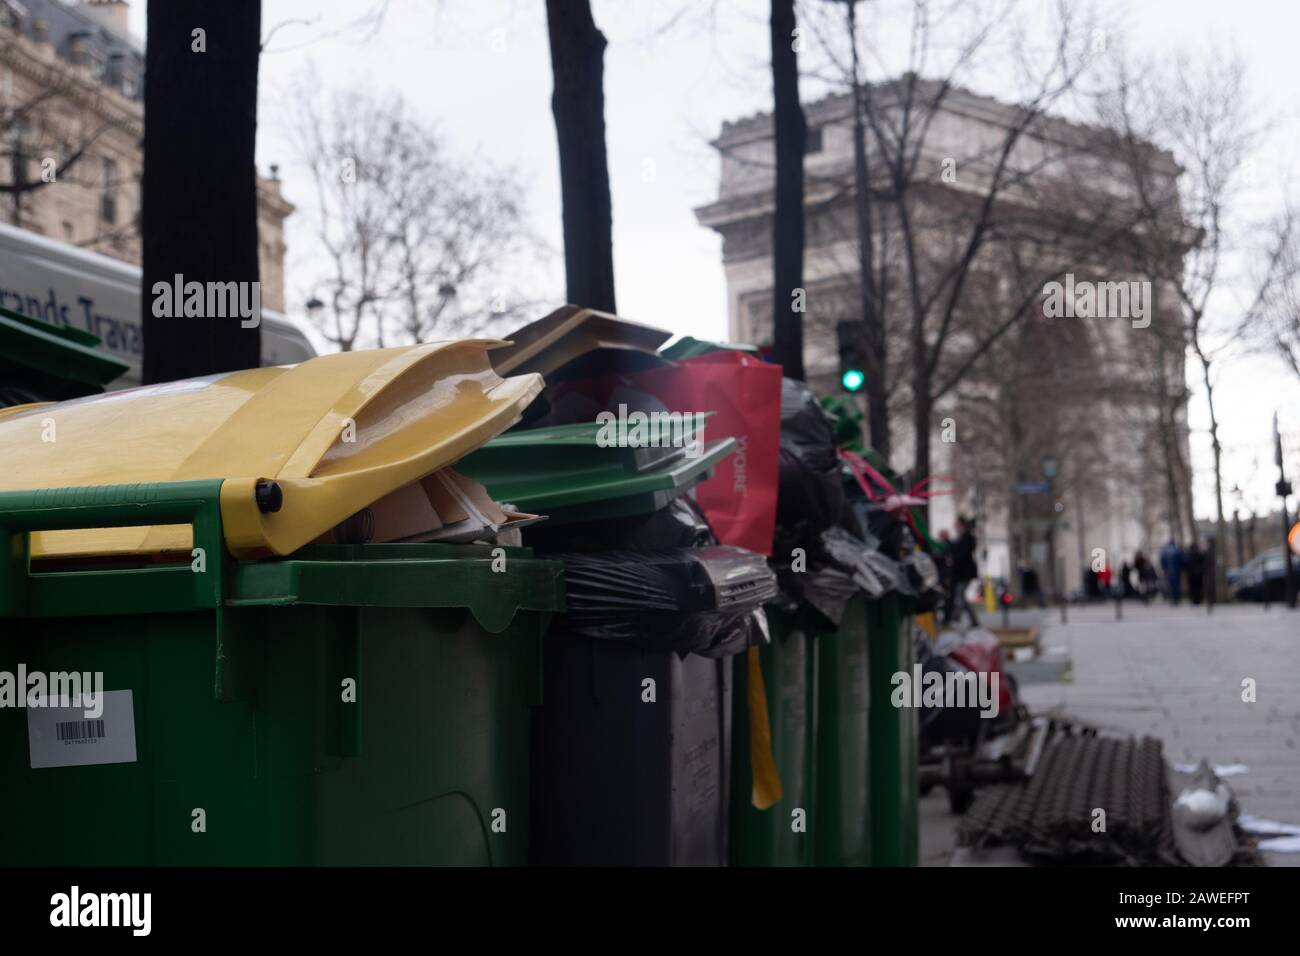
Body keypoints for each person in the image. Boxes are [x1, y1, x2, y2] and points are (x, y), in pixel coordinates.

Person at [944, 516, 980, 628]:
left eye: (957, 524)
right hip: (961, 573)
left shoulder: (967, 537)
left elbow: (961, 553)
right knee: (960, 596)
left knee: (960, 596)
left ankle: (958, 618)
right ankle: (964, 619)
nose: (955, 527)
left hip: (964, 573)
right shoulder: (962, 537)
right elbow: (955, 549)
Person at [1159, 539, 1184, 605]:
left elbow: (1162, 561)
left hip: (1168, 571)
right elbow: (1181, 560)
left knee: (1169, 585)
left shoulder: (1165, 550)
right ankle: (1176, 599)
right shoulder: (1176, 549)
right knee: (1176, 585)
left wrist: (1164, 568)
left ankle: (1171, 598)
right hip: (1176, 570)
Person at [1185, 541, 1206, 605]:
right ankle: (1199, 599)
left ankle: (1194, 599)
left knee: (1193, 587)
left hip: (1191, 574)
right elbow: (1204, 562)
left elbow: (1186, 563)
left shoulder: (1189, 555)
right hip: (1199, 573)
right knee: (1199, 587)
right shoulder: (1200, 554)